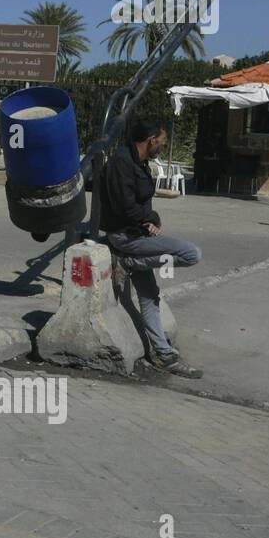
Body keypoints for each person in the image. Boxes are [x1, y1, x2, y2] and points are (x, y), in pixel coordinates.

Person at [100, 116, 203, 378]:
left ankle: (163, 355)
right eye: (162, 142)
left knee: (149, 296)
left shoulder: (141, 163)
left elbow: (143, 205)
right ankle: (128, 262)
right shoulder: (120, 163)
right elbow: (125, 206)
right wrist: (146, 222)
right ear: (151, 140)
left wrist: (152, 220)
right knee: (191, 253)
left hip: (138, 234)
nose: (163, 147)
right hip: (125, 238)